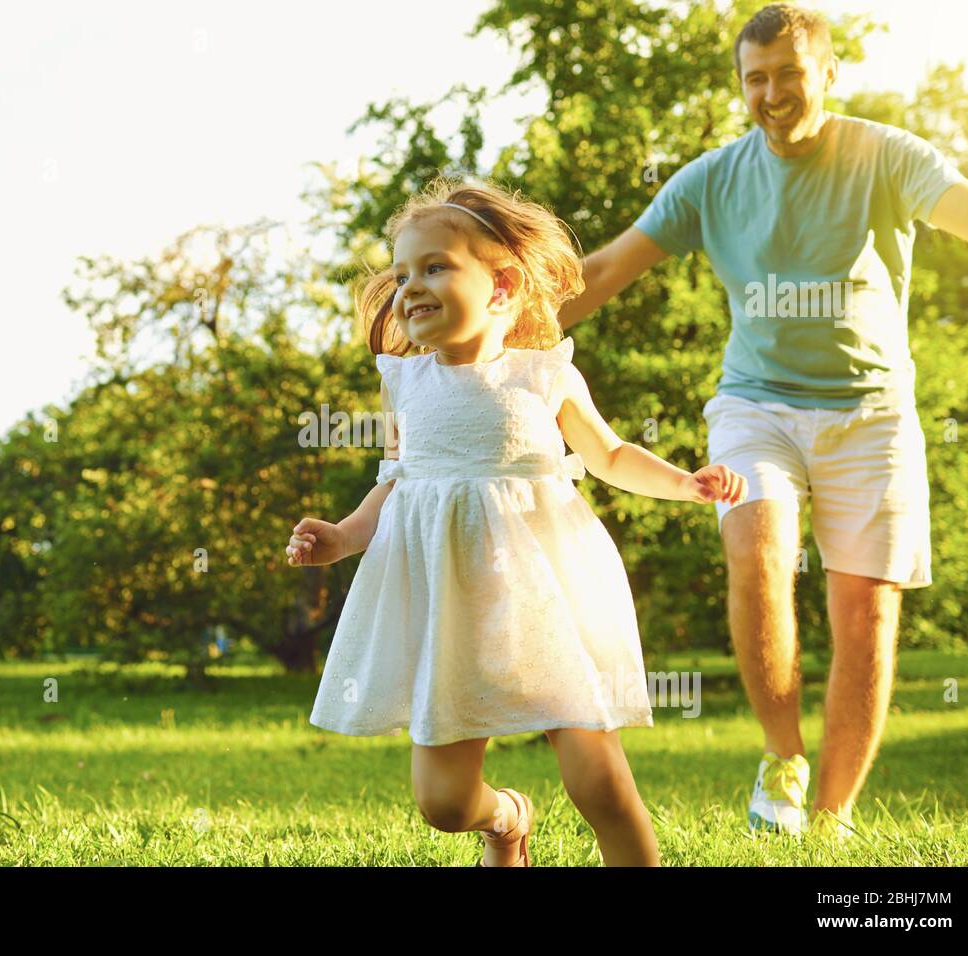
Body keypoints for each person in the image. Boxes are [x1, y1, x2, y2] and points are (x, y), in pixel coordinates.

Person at [557, 3, 968, 841]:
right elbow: (608, 267)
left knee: (866, 614)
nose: (772, 93)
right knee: (757, 547)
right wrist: (494, 323)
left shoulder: (886, 155)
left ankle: (829, 820)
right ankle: (781, 756)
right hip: (756, 403)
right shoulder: (713, 179)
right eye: (755, 79)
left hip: (872, 415)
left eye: (789, 74)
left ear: (827, 73)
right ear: (741, 85)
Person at [287, 177, 745, 866]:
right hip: (450, 612)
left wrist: (685, 483)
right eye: (403, 271)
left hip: (549, 601)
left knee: (599, 784)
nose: (409, 286)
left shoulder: (543, 376)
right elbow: (397, 483)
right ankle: (507, 820)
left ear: (501, 287)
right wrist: (343, 537)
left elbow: (612, 454)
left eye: (435, 266)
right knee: (443, 804)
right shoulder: (405, 384)